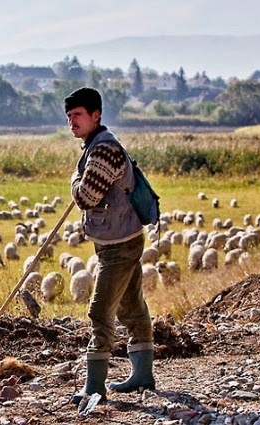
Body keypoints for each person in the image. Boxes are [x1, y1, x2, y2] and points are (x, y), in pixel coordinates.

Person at [64, 87, 155, 408]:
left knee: (100, 311)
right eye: (69, 116)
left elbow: (86, 196)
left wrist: (74, 181)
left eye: (78, 115)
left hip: (119, 245)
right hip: (118, 238)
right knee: (131, 306)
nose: (72, 122)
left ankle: (94, 386)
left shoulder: (103, 150)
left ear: (96, 115)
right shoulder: (96, 145)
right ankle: (143, 375)